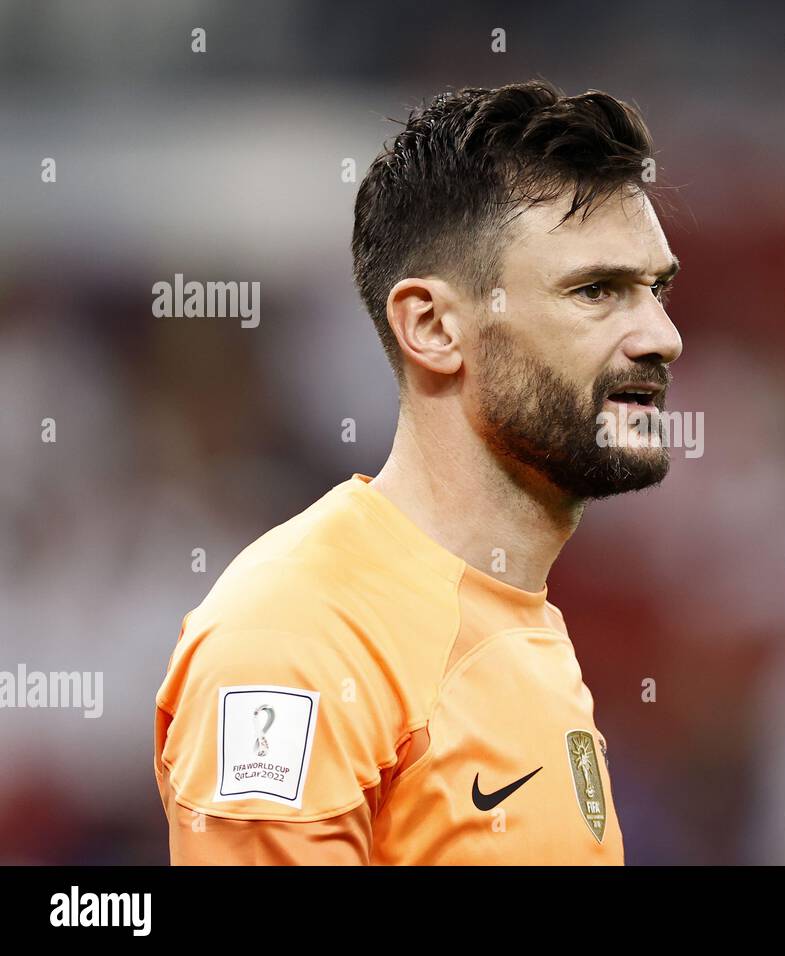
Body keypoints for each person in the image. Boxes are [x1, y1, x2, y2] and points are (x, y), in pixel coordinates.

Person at [153, 80, 683, 864]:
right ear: (433, 327)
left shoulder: (515, 621)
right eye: (597, 290)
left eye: (655, 289)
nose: (661, 336)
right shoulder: (298, 640)